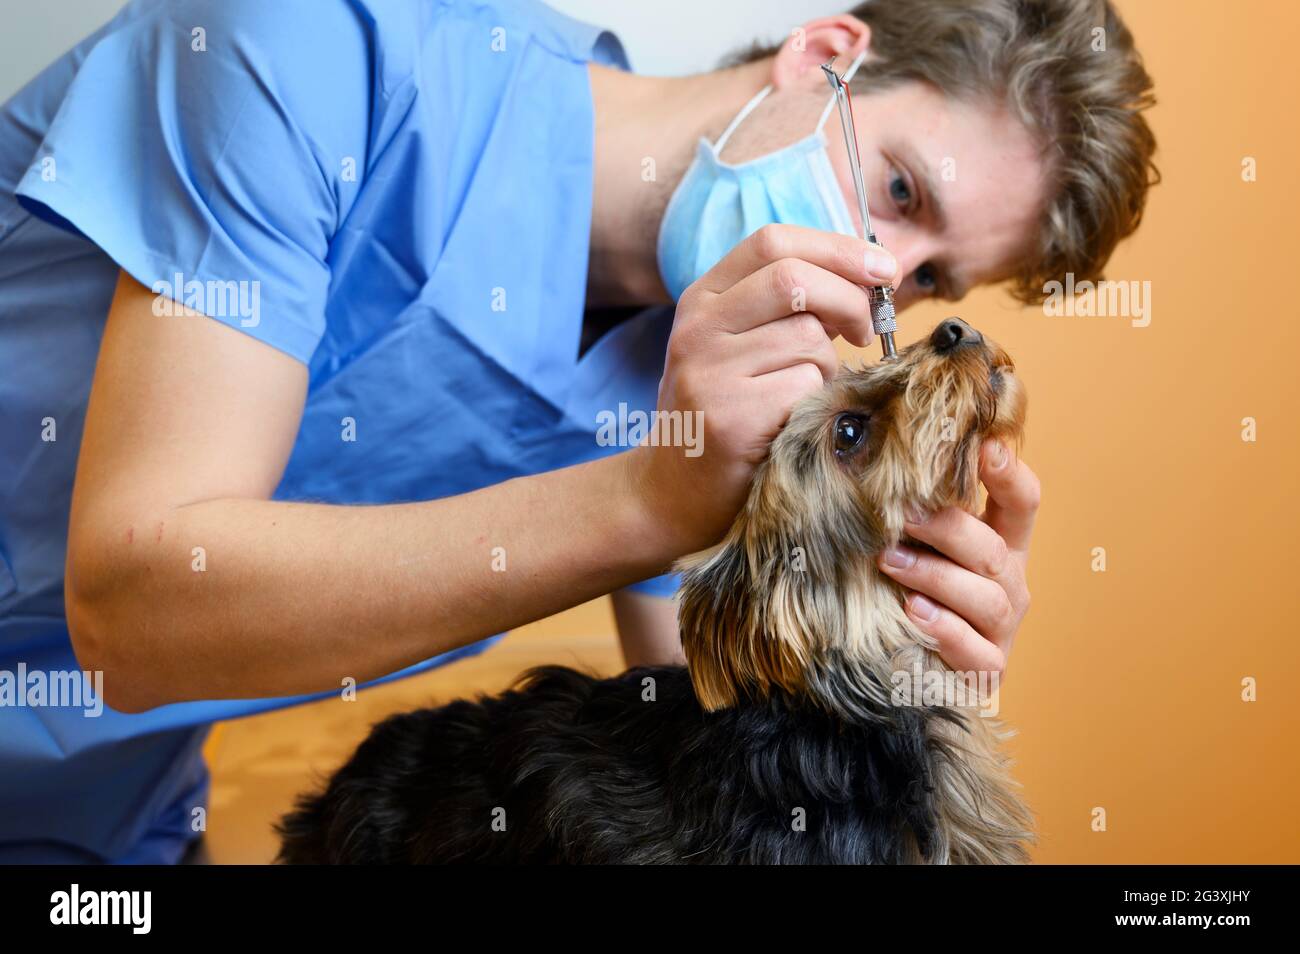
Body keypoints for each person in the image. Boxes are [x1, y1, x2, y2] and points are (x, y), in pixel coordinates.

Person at [0, 0, 1156, 862]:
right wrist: (643, 505)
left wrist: (906, 658)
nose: (877, 282)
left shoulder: (718, 389)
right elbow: (134, 610)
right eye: (900, 195)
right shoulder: (319, 44)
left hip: (97, 832)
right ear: (825, 57)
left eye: (932, 276)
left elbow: (716, 733)